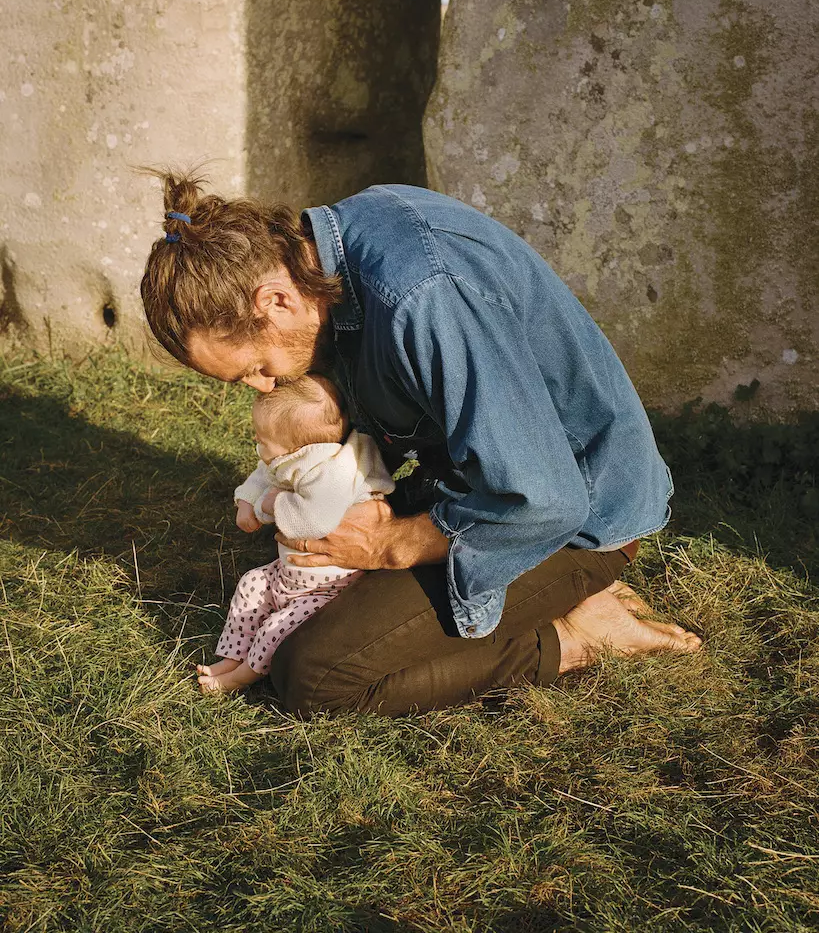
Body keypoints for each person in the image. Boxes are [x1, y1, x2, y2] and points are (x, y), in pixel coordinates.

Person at [141, 169, 702, 716]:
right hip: (467, 482)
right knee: (309, 573)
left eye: (256, 368)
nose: (264, 388)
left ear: (277, 301)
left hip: (571, 521)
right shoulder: (337, 252)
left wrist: (393, 543)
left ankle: (575, 633)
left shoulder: (422, 294)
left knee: (312, 674)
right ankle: (562, 602)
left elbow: (541, 498)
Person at [197, 374, 395, 693]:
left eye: (262, 439)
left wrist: (267, 507)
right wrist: (246, 500)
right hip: (289, 574)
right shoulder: (291, 456)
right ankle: (231, 657)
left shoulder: (336, 470)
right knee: (251, 584)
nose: (257, 444)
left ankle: (243, 676)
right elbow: (266, 473)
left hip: (328, 589)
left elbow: (313, 519)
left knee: (276, 627)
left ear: (296, 447)